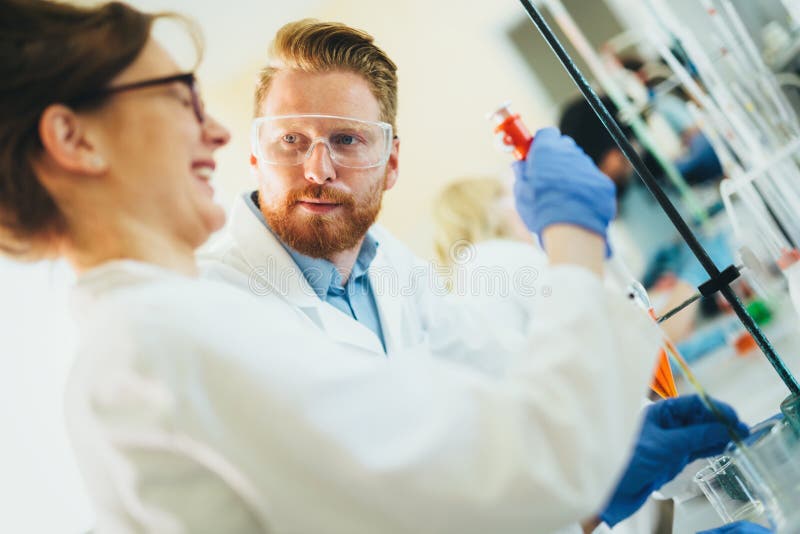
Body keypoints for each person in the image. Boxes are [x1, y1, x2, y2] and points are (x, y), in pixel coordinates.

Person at [0, 1, 676, 532]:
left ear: (392, 162)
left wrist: (597, 454)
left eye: (348, 139)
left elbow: (478, 447)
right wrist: (573, 241)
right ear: (73, 138)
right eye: (179, 96)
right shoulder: (168, 338)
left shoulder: (167, 328)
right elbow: (521, 466)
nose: (217, 134)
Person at [431, 176, 545, 333]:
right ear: (492, 210)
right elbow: (574, 308)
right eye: (510, 197)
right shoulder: (509, 254)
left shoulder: (460, 274)